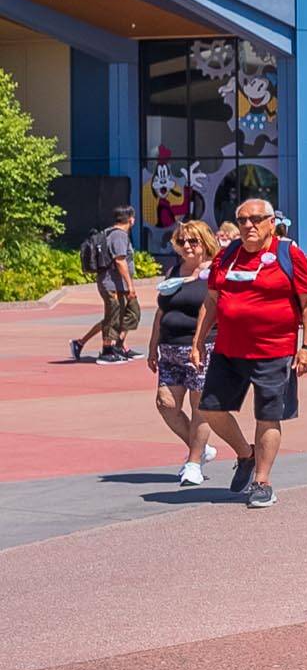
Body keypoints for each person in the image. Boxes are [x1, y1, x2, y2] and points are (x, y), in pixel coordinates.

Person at [189, 197, 307, 508]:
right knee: (210, 410)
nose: (249, 225)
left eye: (256, 219)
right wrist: (198, 341)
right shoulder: (228, 255)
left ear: (271, 223)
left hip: (274, 351)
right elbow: (211, 301)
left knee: (268, 415)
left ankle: (262, 481)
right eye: (243, 220)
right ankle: (246, 455)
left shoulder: (289, 254)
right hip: (228, 351)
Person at [151, 220, 221, 483]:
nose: (188, 246)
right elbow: (161, 311)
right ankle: (201, 448)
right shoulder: (174, 270)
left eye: (194, 241)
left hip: (203, 347)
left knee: (199, 407)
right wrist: (152, 347)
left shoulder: (214, 270)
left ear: (205, 242)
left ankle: (193, 463)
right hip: (169, 349)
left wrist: (197, 344)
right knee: (165, 403)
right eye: (182, 241)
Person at [73, 203, 141, 363]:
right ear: (131, 219)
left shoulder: (114, 233)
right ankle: (107, 350)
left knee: (128, 314)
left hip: (117, 284)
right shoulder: (119, 235)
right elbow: (120, 261)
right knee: (113, 318)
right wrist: (130, 285)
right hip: (112, 284)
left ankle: (116, 345)